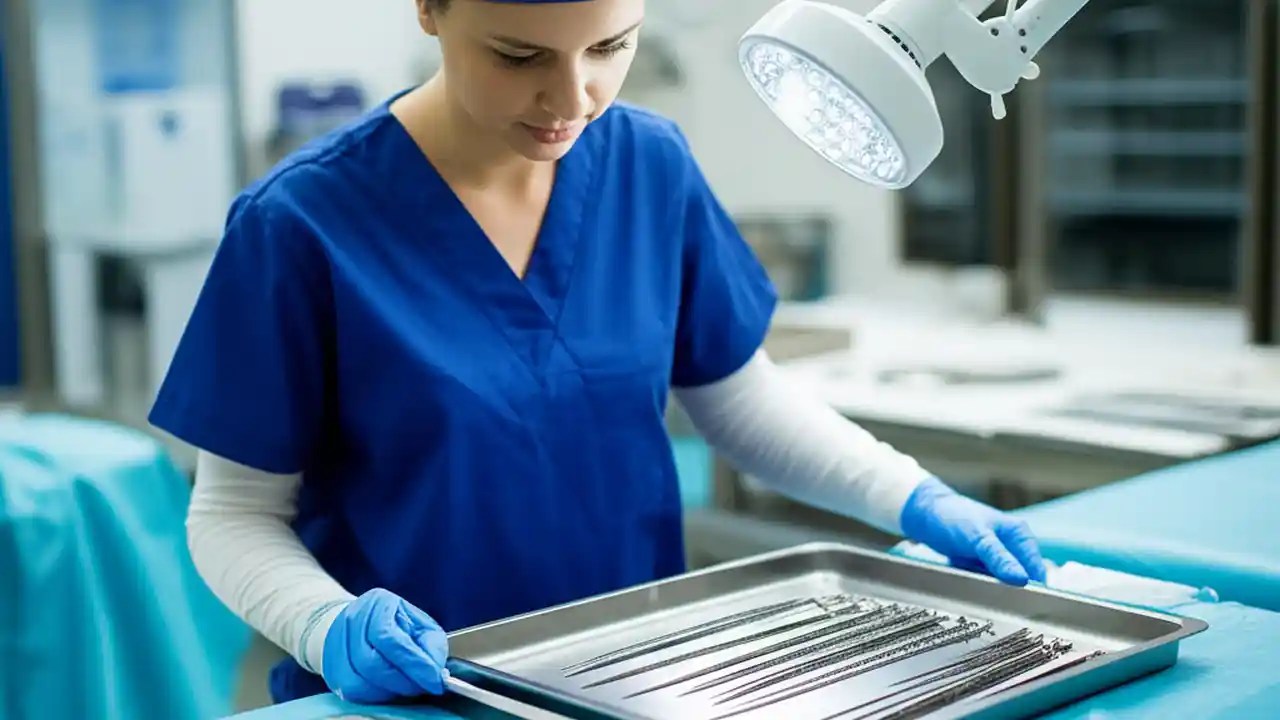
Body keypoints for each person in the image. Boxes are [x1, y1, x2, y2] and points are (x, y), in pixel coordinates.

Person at [149, 0, 1047, 706]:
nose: (573, 98)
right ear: (429, 8)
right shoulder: (302, 223)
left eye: (611, 47)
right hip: (415, 698)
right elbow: (230, 514)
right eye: (520, 56)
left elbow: (737, 403)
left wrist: (913, 496)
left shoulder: (649, 165)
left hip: (635, 681)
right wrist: (325, 625)